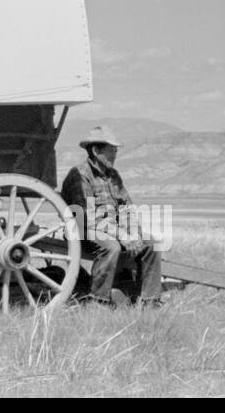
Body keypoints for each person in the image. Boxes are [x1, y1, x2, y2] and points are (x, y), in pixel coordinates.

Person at [60, 126, 162, 306]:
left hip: (112, 231)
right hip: (82, 231)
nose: (114, 156)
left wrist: (133, 234)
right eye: (110, 151)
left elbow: (126, 208)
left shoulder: (113, 176)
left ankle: (150, 301)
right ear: (95, 150)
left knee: (150, 244)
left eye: (115, 151)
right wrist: (122, 235)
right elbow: (88, 218)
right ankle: (98, 301)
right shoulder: (80, 175)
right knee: (112, 247)